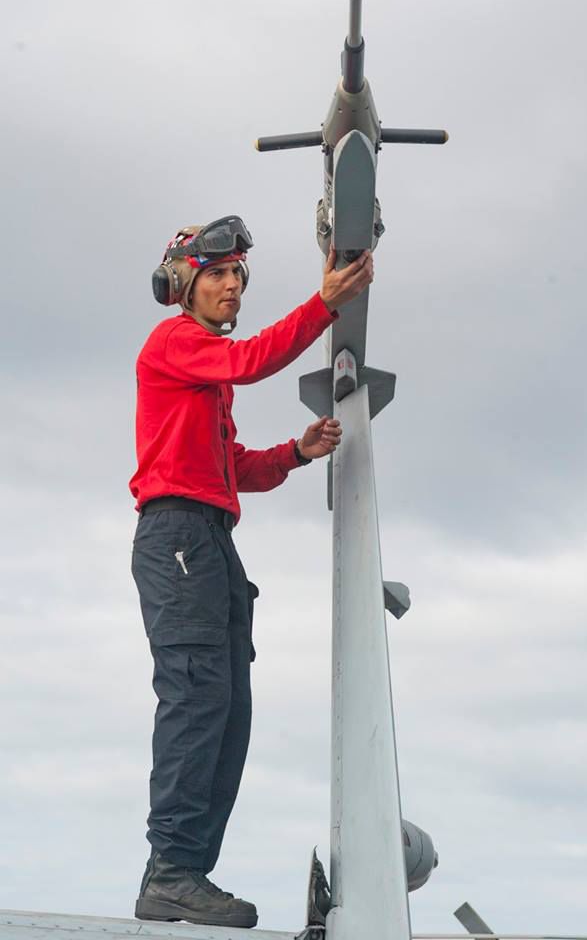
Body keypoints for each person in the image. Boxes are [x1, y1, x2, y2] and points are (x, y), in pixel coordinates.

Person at [129, 216, 373, 927]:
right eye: (217, 275)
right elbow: (254, 359)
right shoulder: (177, 341)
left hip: (208, 540)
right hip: (177, 537)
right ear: (183, 284)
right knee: (198, 699)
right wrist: (322, 304)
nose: (231, 286)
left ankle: (184, 873)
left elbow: (231, 468)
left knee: (227, 710)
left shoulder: (205, 376)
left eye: (237, 275)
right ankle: (170, 870)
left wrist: (295, 453)